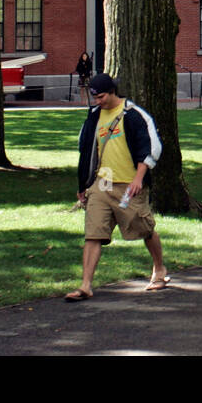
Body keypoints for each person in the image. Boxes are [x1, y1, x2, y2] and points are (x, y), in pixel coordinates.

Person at [66, 74, 167, 301]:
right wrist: (82, 185)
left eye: (101, 97)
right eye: (95, 97)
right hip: (100, 185)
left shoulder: (133, 115)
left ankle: (159, 269)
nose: (98, 101)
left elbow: (151, 148)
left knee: (145, 229)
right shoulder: (93, 117)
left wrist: (139, 178)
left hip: (129, 184)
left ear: (112, 91)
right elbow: (85, 152)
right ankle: (85, 286)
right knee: (93, 235)